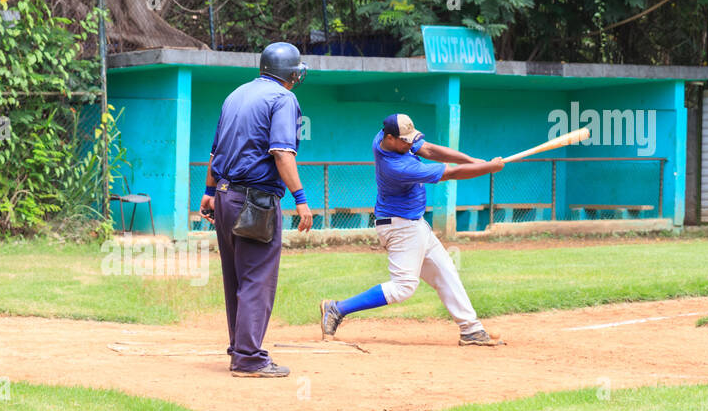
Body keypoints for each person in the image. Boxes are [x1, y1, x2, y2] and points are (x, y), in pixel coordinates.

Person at [320, 113, 505, 345]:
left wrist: (473, 161)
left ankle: (471, 330)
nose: (410, 143)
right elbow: (451, 173)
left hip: (413, 224)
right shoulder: (397, 166)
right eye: (405, 140)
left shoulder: (387, 139)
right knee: (403, 287)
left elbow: (429, 150)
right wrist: (488, 168)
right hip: (400, 228)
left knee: (446, 272)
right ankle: (337, 308)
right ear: (390, 138)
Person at [200, 41, 313, 377]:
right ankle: (248, 358)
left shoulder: (236, 94)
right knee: (257, 278)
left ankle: (240, 348)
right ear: (291, 73)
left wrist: (208, 192)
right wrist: (301, 199)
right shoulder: (284, 98)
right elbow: (281, 153)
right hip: (256, 200)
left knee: (236, 276)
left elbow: (214, 153)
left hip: (223, 194)